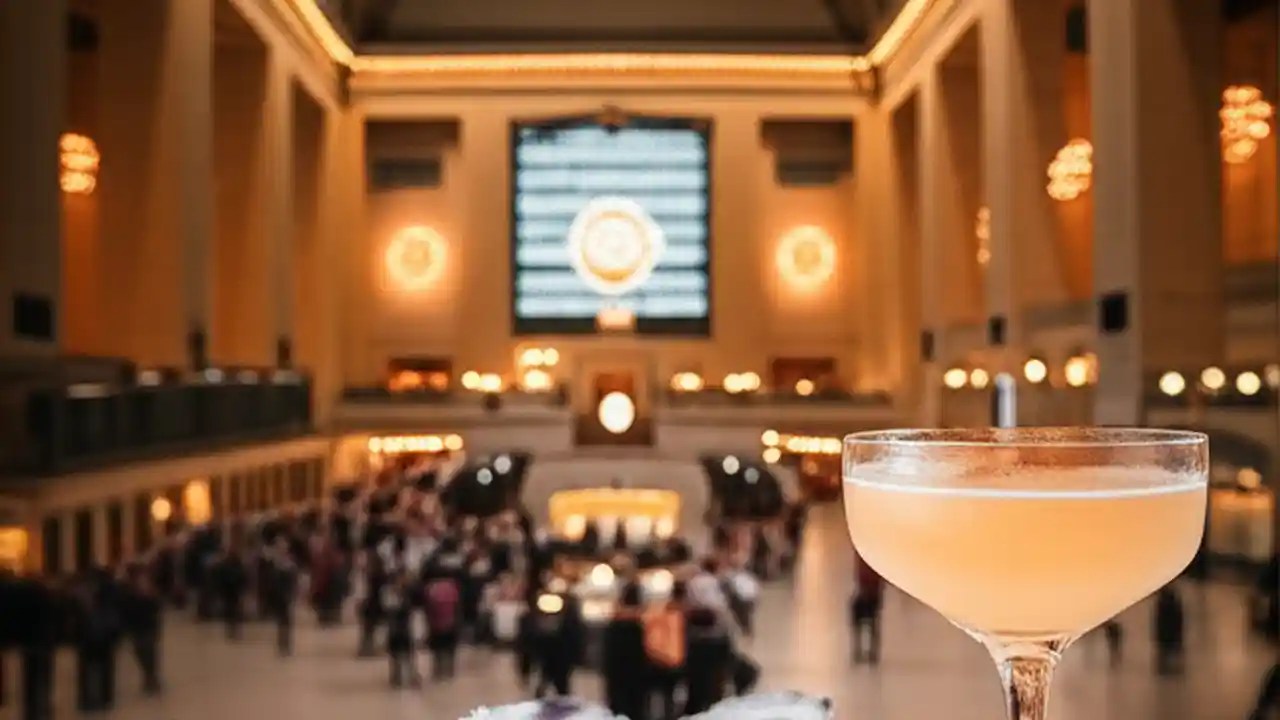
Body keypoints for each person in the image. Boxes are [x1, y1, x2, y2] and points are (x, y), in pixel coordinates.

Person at [75, 570, 121, 713]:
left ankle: (91, 700)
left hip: (91, 638)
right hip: (100, 637)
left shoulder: (82, 594)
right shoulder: (110, 592)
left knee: (91, 669)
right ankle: (102, 698)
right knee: (103, 669)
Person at [603, 583, 649, 720]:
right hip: (637, 670)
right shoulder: (642, 621)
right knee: (636, 705)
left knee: (619, 703)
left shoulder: (615, 621)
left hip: (617, 670)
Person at [645, 581, 688, 720]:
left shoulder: (663, 613)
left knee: (666, 699)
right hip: (665, 662)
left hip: (666, 661)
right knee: (664, 699)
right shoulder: (672, 616)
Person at [120, 566, 162, 695]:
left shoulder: (150, 590)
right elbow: (125, 610)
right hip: (137, 627)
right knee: (141, 653)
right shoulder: (127, 591)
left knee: (149, 652)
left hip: (148, 626)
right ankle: (148, 676)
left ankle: (151, 677)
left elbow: (156, 607)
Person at [683, 607, 731, 715]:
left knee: (696, 699)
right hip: (713, 686)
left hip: (697, 682)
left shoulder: (691, 640)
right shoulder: (720, 638)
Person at [385, 574, 421, 688]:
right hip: (398, 630)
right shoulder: (392, 596)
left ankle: (408, 677)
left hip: (403, 629)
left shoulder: (405, 595)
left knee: (406, 654)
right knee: (399, 654)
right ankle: (398, 678)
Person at [425, 573, 462, 679]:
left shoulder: (431, 588)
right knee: (450, 648)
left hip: (436, 623)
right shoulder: (453, 587)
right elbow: (457, 607)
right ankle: (449, 670)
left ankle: (438, 670)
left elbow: (428, 608)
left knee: (437, 648)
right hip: (450, 622)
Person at [268, 538, 299, 657]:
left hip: (287, 596)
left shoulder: (290, 565)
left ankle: (286, 645)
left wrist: (294, 594)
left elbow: (294, 582)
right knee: (281, 621)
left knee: (287, 621)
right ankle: (282, 644)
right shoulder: (275, 564)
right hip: (278, 596)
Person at [851, 554, 885, 664]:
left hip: (869, 595)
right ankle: (868, 650)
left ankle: (860, 649)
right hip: (869, 594)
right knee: (872, 623)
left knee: (865, 620)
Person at [217, 548, 249, 641]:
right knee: (234, 613)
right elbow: (244, 580)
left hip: (230, 593)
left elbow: (220, 580)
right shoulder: (238, 567)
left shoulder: (225, 566)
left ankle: (232, 631)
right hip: (234, 593)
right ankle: (234, 631)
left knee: (231, 613)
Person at [1154, 585, 1185, 675]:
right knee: (1170, 650)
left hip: (1166, 633)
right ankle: (1171, 667)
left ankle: (1164, 667)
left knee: (1166, 650)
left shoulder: (1162, 604)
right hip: (1171, 633)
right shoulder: (1174, 603)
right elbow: (1179, 619)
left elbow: (1159, 620)